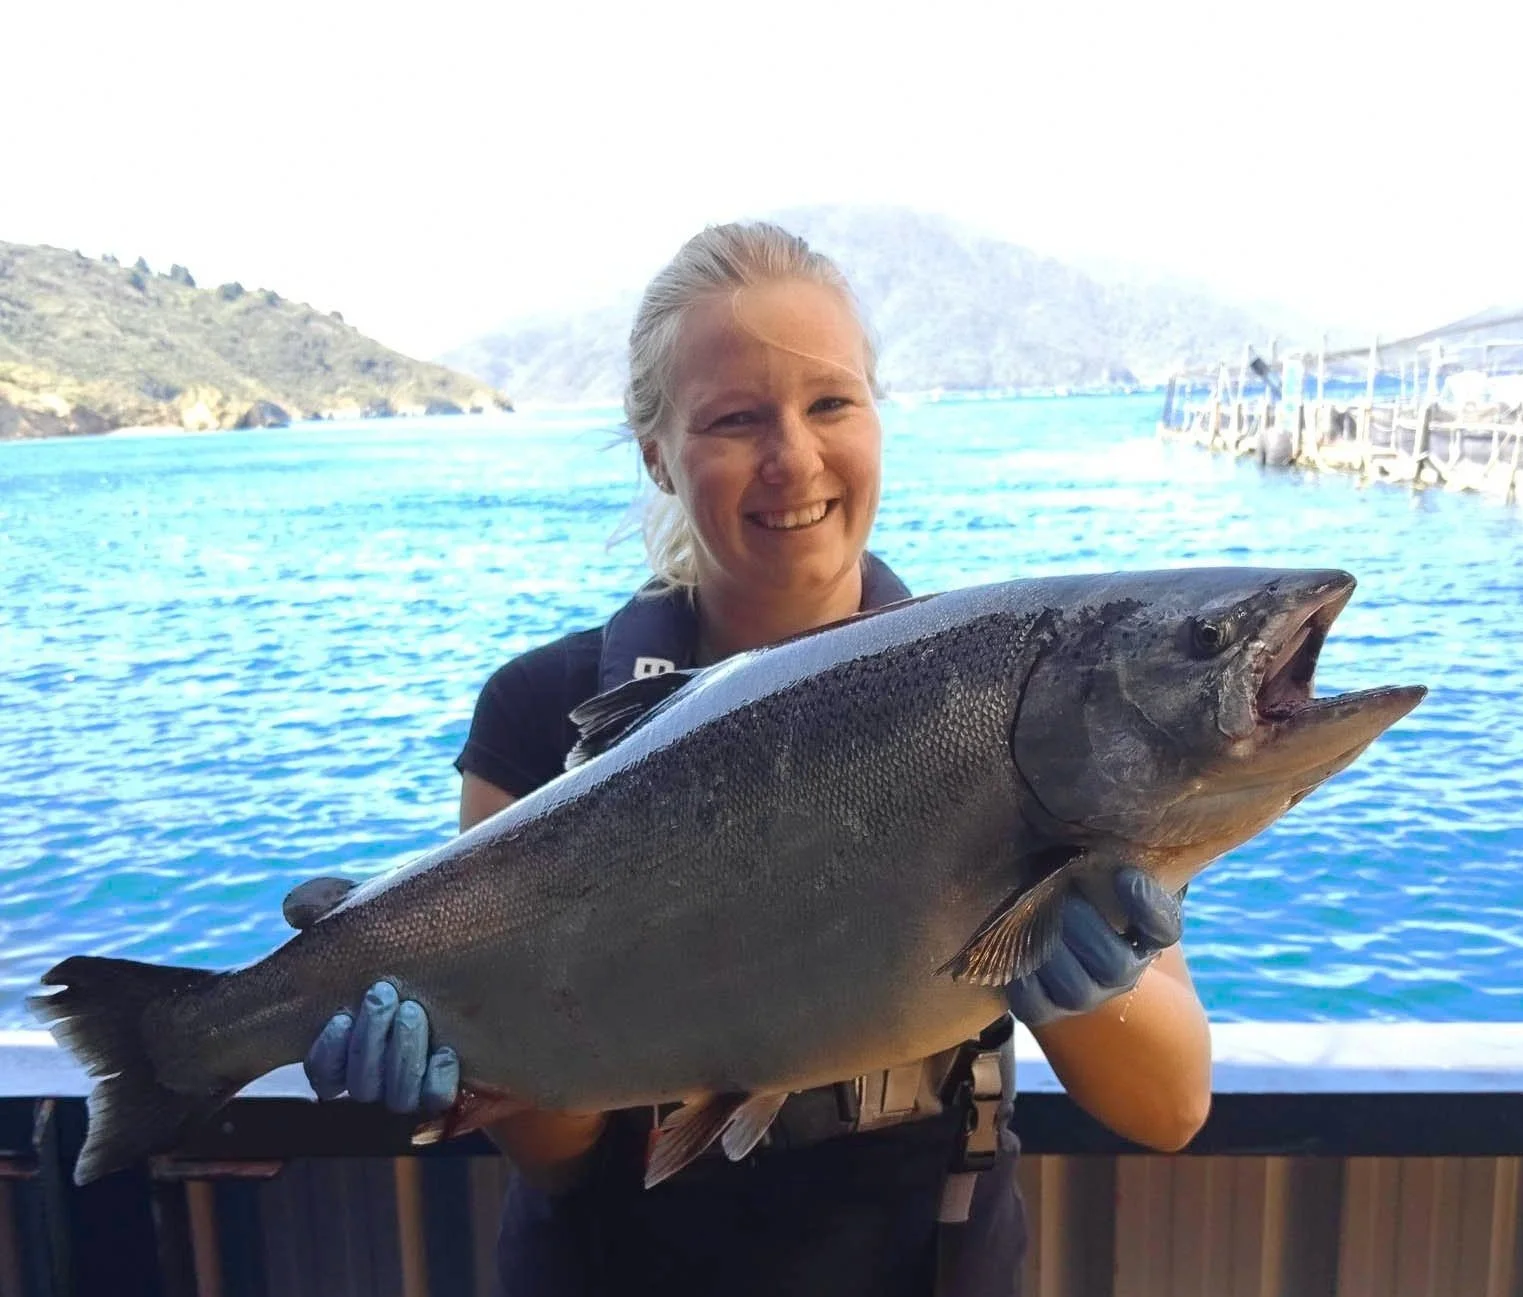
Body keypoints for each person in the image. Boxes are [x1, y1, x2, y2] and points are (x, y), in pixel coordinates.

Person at [302, 222, 1213, 1296]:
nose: (794, 458)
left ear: (877, 417)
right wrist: (460, 1069)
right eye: (737, 419)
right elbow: (561, 1154)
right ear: (658, 452)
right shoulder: (543, 715)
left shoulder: (1004, 708)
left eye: (831, 405)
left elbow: (1169, 1108)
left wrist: (1082, 990)